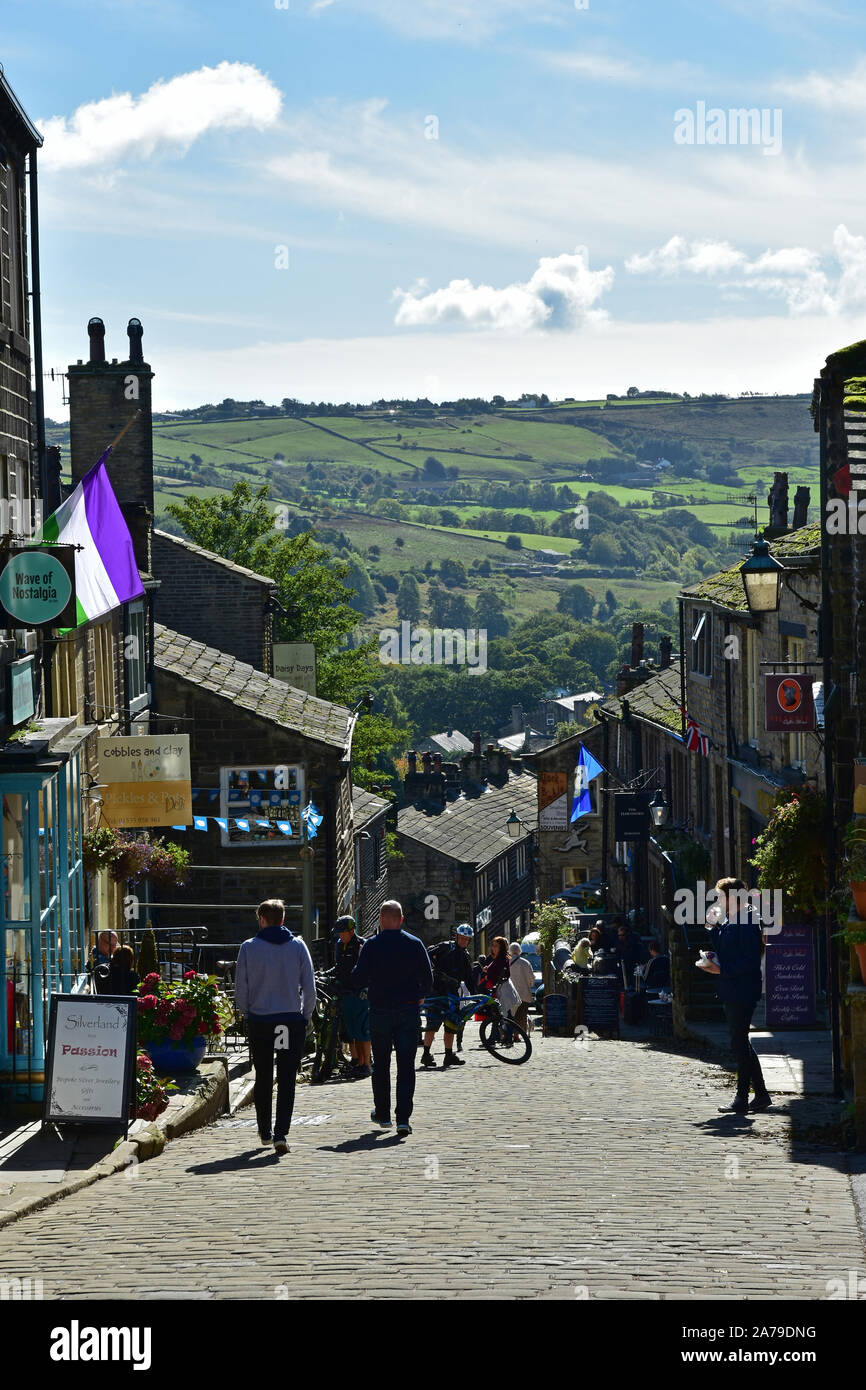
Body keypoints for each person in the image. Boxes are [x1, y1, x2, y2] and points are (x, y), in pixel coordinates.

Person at [235, 898, 316, 1155]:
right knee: (287, 1077)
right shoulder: (298, 946)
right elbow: (310, 987)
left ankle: (264, 1130)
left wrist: (247, 1013)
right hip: (289, 1021)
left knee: (264, 1075)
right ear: (282, 920)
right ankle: (281, 1132)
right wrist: (305, 1015)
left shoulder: (249, 948)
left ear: (261, 919)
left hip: (261, 1021)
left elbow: (241, 989)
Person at [350, 900, 433, 1138]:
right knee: (406, 1066)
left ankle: (384, 1113)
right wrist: (419, 996)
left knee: (382, 1065)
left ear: (380, 919)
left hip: (380, 1011)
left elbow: (357, 979)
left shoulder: (371, 946)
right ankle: (403, 1119)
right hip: (407, 1011)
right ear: (401, 919)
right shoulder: (415, 944)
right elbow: (428, 980)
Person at [700, 877, 771, 1114]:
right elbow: (726, 948)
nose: (719, 901)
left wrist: (721, 969)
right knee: (740, 1042)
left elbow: (750, 962)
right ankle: (760, 1095)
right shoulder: (733, 920)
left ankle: (742, 1098)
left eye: (722, 896)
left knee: (738, 1043)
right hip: (732, 988)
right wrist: (713, 930)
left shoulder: (748, 921)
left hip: (743, 989)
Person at [421, 924, 474, 1069]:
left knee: (451, 1025)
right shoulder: (445, 947)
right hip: (437, 991)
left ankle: (449, 1055)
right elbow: (426, 953)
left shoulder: (465, 956)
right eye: (461, 938)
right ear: (456, 936)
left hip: (452, 994)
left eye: (466, 939)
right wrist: (435, 971)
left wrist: (476, 994)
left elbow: (469, 979)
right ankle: (426, 1054)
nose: (463, 941)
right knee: (433, 1024)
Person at [332, 915, 371, 1078]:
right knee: (352, 1031)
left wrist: (366, 988)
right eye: (339, 933)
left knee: (363, 1031)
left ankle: (366, 1064)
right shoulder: (339, 945)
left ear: (351, 931)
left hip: (359, 994)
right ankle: (357, 1061)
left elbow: (369, 969)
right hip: (345, 993)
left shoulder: (362, 945)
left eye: (343, 932)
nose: (340, 935)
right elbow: (338, 966)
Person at [507, 942, 534, 1036]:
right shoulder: (526, 963)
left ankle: (510, 1034)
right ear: (520, 951)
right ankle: (519, 1035)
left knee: (511, 1015)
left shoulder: (507, 962)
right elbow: (532, 979)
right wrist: (529, 985)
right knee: (522, 1015)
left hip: (510, 994)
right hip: (524, 994)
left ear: (510, 951)